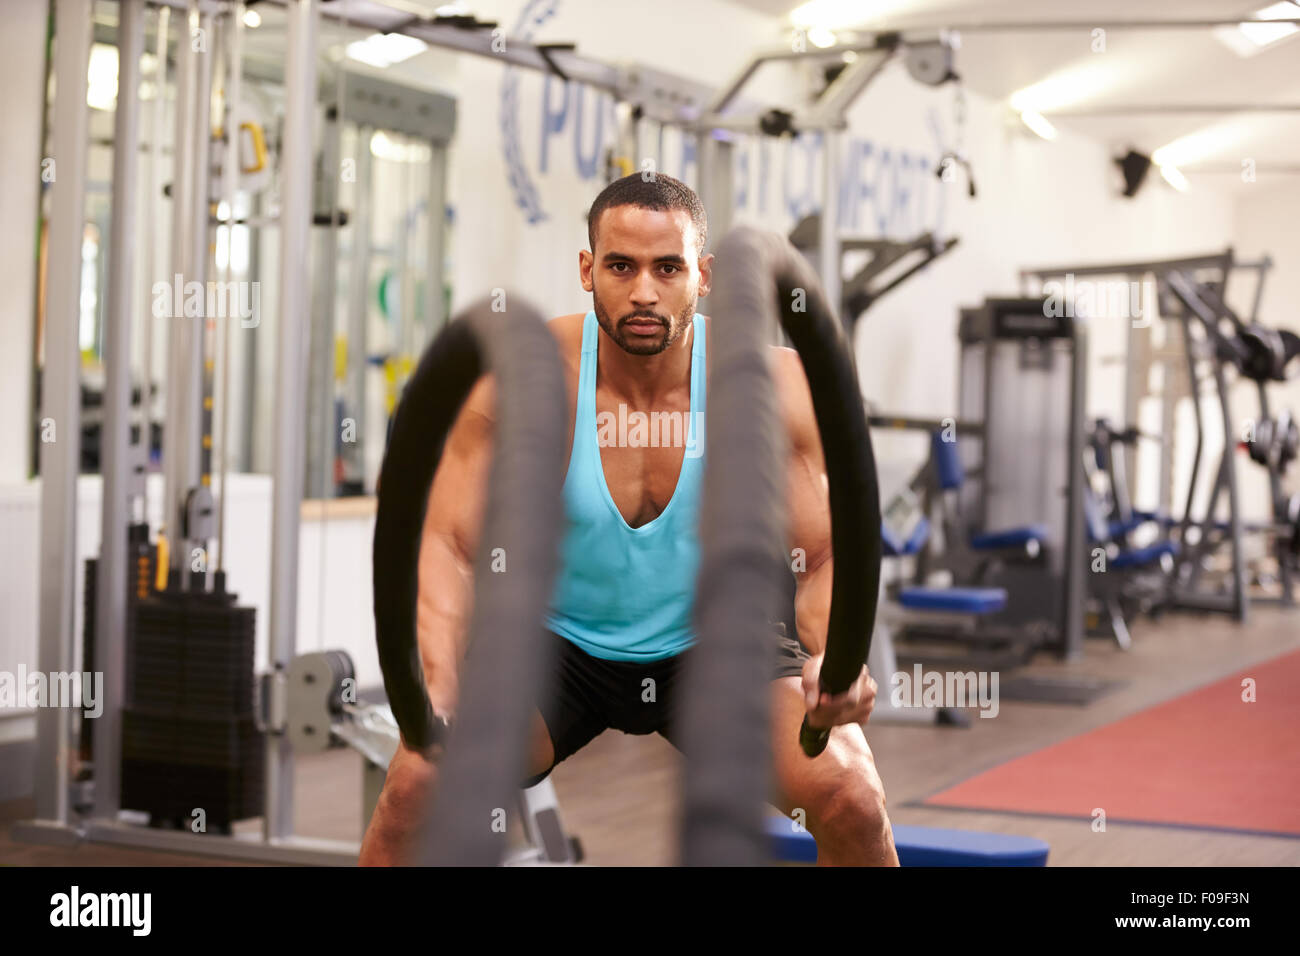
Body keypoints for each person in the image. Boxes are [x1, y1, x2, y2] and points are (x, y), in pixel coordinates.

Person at [360, 173, 897, 866]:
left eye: (667, 267)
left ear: (702, 276)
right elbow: (450, 545)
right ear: (588, 270)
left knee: (851, 799)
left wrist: (830, 659)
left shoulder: (774, 389)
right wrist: (436, 683)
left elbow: (823, 554)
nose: (644, 291)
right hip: (554, 644)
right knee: (416, 787)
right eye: (621, 266)